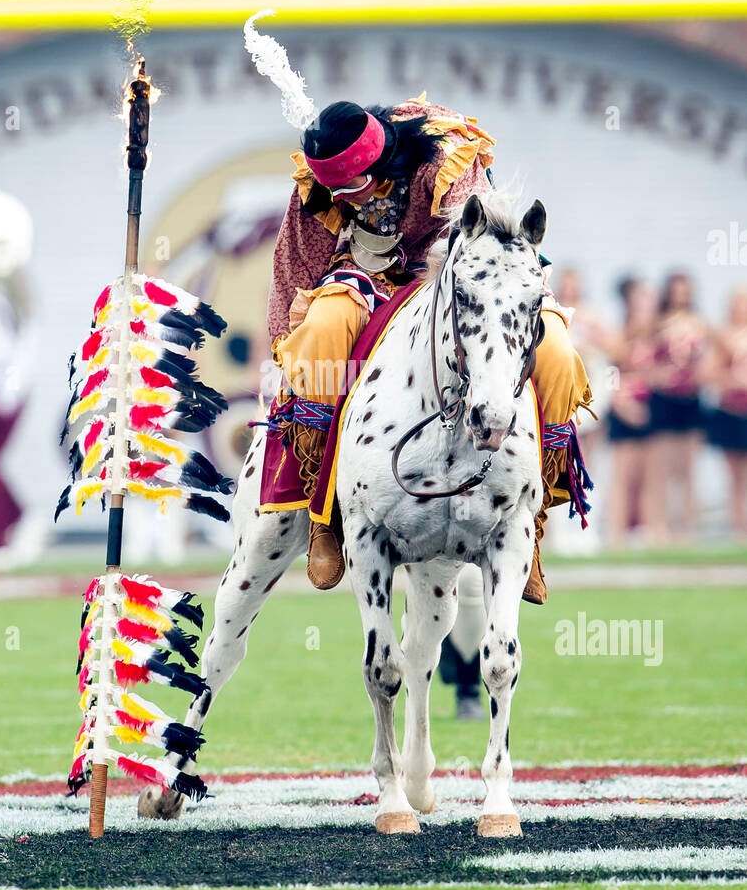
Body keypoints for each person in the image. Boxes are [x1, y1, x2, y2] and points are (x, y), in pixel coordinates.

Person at [260, 83, 592, 599]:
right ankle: (324, 514)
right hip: (367, 275)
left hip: (465, 279)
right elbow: (292, 270)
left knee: (559, 356)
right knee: (321, 330)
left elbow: (483, 250)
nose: (346, 201)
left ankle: (534, 522)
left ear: (385, 162)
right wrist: (288, 352)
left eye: (357, 187)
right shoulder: (315, 185)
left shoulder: (445, 159)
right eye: (338, 194)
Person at [646, 271, 713, 544]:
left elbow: (712, 355)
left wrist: (703, 374)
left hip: (691, 398)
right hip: (664, 399)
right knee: (661, 468)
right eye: (676, 289)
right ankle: (659, 528)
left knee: (688, 470)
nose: (681, 295)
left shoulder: (701, 323)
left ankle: (686, 529)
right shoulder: (657, 324)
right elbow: (638, 356)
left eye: (685, 290)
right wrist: (656, 375)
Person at [605, 277, 657, 547]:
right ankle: (617, 534)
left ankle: (649, 532)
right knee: (623, 476)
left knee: (648, 476)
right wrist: (622, 404)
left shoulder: (658, 340)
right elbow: (608, 375)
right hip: (624, 412)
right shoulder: (618, 337)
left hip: (650, 411)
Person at [710, 287, 747, 539]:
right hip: (731, 411)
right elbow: (711, 373)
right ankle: (739, 528)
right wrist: (733, 381)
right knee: (734, 476)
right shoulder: (723, 337)